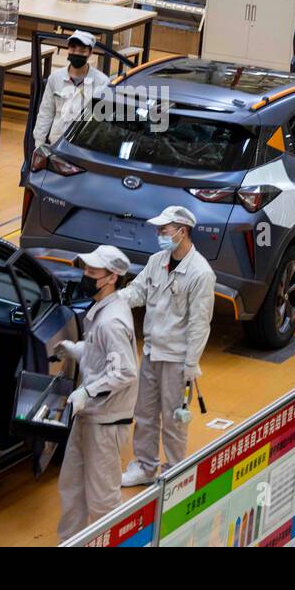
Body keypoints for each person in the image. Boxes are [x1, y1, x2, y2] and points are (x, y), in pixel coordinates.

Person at [120, 205, 216, 487]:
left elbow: (200, 323)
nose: (158, 234)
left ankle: (175, 472)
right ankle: (146, 466)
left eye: (164, 230)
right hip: (152, 352)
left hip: (177, 360)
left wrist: (190, 364)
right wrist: (113, 300)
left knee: (174, 420)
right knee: (145, 413)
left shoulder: (200, 273)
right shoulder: (157, 261)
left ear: (181, 232)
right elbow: (138, 290)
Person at [55, 245, 138, 540]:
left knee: (103, 501)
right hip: (89, 417)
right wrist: (76, 350)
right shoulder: (103, 310)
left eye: (92, 272)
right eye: (85, 271)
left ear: (112, 277)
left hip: (105, 423)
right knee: (72, 488)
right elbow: (102, 357)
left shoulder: (112, 321)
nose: (85, 277)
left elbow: (125, 371)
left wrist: (87, 392)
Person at [32, 30, 110, 147]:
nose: (76, 53)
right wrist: (39, 144)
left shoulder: (102, 82)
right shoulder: (55, 78)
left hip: (85, 145)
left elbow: (104, 120)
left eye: (82, 51)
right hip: (57, 142)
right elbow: (46, 112)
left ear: (90, 53)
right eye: (73, 49)